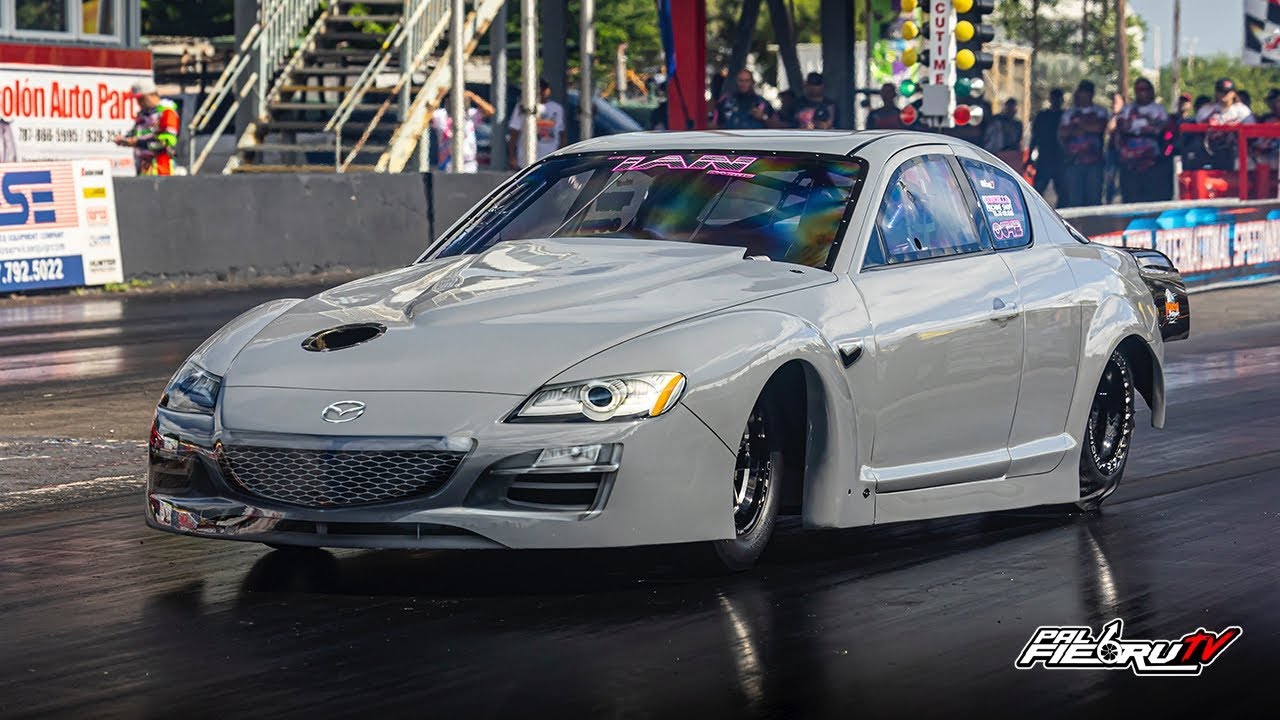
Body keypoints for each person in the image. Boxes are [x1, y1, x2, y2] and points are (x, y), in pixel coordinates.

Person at [1113, 78, 1175, 203]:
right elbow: (1122, 127)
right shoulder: (1127, 109)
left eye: (1144, 89)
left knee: (1152, 196)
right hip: (1130, 162)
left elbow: (1161, 129)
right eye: (1138, 89)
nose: (1142, 92)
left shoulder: (1159, 110)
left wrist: (1144, 126)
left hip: (1153, 161)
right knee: (1131, 196)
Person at [1057, 79, 1109, 207]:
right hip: (1073, 162)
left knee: (1094, 199)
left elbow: (1099, 128)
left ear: (1092, 94)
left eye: (1087, 92)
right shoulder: (1069, 113)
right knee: (1075, 200)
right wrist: (1085, 128)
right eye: (1082, 92)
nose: (1084, 95)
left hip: (1095, 162)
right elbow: (1063, 133)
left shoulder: (1100, 111)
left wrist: (1076, 128)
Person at [113, 79, 179, 176]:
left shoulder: (166, 112)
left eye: (141, 99)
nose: (138, 103)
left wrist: (137, 142)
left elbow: (167, 141)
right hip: (142, 169)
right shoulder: (143, 115)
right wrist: (124, 139)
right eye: (137, 99)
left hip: (161, 170)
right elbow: (136, 133)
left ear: (152, 95)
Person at [1195, 77, 1255, 171]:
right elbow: (1197, 132)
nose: (1224, 94)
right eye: (1221, 91)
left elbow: (1252, 134)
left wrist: (1235, 128)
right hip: (1211, 152)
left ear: (1233, 93)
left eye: (1227, 92)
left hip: (1236, 154)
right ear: (1216, 93)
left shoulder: (1243, 111)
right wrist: (1208, 122)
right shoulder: (1206, 110)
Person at [507, 78, 566, 169]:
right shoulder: (524, 107)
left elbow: (561, 133)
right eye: (541, 89)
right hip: (527, 158)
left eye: (545, 89)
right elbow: (514, 132)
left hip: (550, 158)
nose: (544, 92)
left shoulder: (557, 108)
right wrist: (512, 157)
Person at [431, 89, 495, 173]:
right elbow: (427, 116)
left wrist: (473, 97)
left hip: (468, 163)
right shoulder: (441, 115)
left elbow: (490, 111)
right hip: (448, 162)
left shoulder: (470, 114)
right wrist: (439, 96)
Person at [1027, 88, 1065, 202]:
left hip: (1060, 157)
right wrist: (1030, 155)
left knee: (1063, 191)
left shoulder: (1065, 116)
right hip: (1045, 157)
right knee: (1038, 190)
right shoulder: (1042, 116)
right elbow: (1035, 137)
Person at [710, 69, 775, 130]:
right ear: (736, 82)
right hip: (731, 137)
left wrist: (763, 117)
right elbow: (713, 124)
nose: (743, 84)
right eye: (740, 80)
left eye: (747, 81)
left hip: (754, 138)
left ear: (752, 82)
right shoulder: (725, 100)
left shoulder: (762, 102)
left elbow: (777, 126)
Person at [983, 98, 1024, 169]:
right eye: (1009, 108)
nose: (1010, 111)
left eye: (1012, 108)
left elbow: (1018, 140)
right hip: (997, 153)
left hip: (1011, 154)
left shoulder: (1017, 124)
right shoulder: (997, 121)